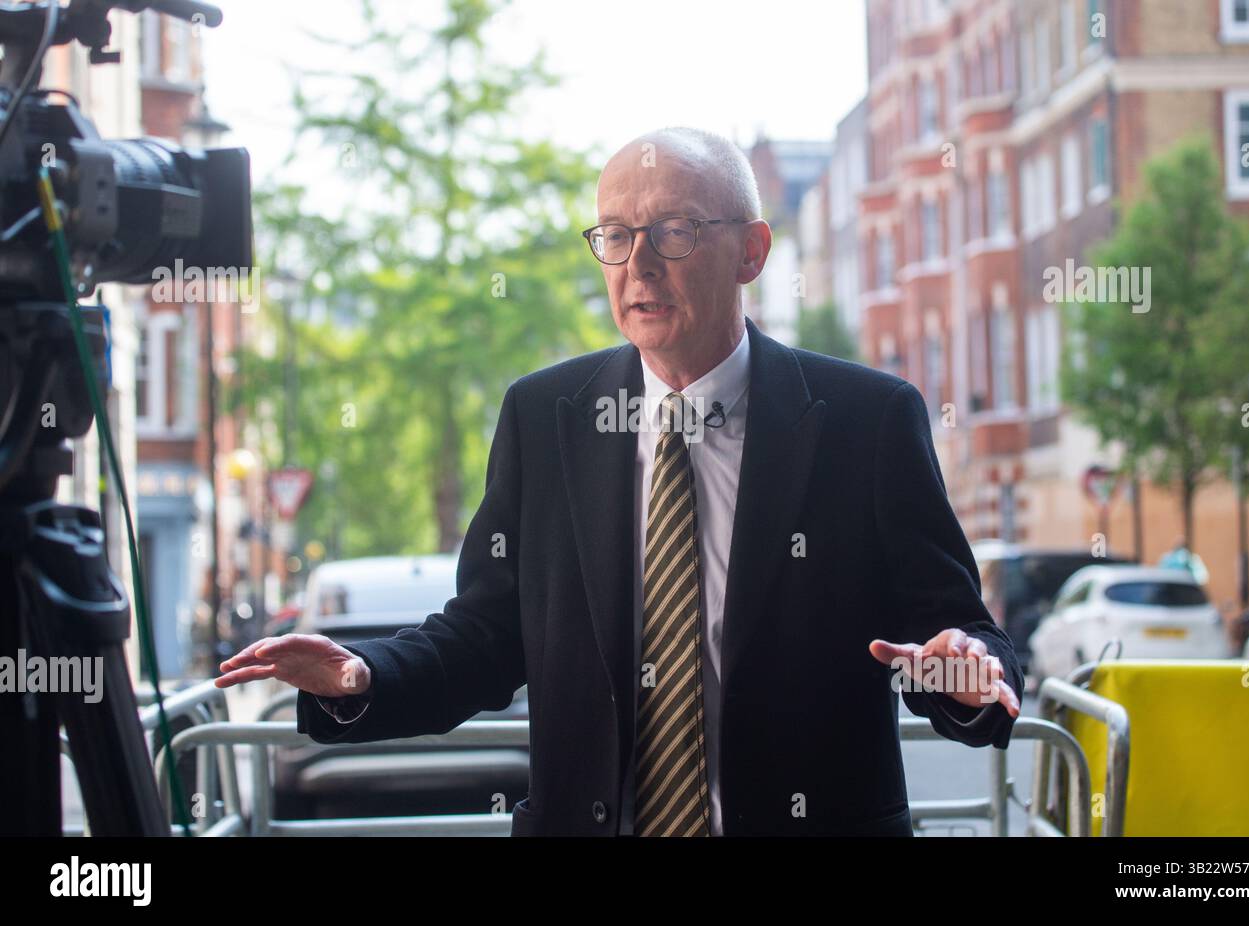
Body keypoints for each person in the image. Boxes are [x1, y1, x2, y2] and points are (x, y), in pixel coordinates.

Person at [217, 127, 1022, 836]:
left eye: (673, 232)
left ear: (752, 252)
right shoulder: (545, 417)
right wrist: (363, 674)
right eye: (614, 235)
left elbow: (959, 634)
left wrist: (962, 670)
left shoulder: (865, 421)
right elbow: (486, 639)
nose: (638, 265)